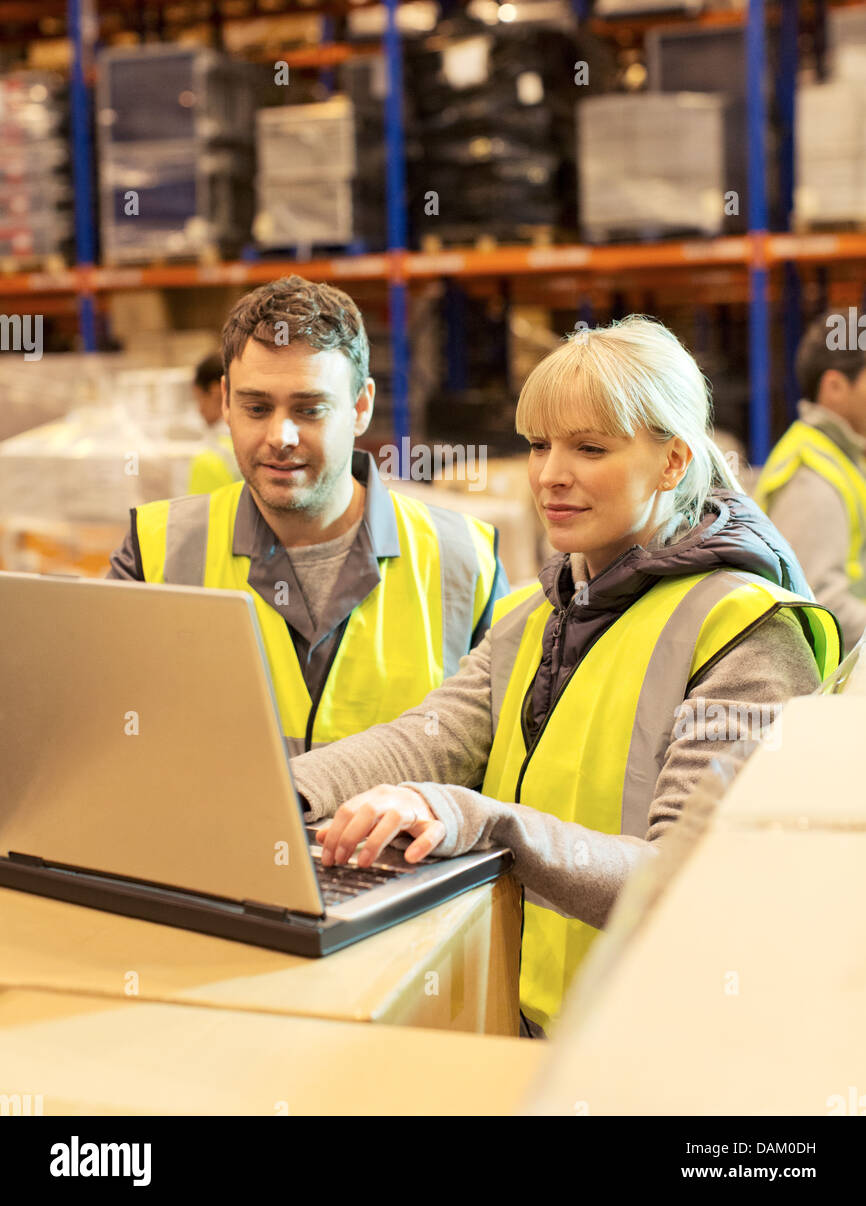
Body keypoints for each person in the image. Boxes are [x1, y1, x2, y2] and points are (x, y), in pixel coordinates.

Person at [289, 315, 841, 1037]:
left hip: (657, 1053)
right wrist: (277, 797)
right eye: (540, 445)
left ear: (673, 462)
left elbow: (680, 878)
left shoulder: (748, 632)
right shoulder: (535, 615)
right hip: (528, 1029)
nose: (551, 474)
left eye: (589, 448)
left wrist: (489, 824)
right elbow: (421, 742)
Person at [108, 277, 508, 753]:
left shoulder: (463, 561)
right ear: (225, 404)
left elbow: (498, 763)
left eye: (310, 409)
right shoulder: (154, 554)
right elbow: (108, 740)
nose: (281, 436)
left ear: (361, 407)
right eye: (256, 407)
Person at [754, 311, 866, 653]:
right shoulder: (811, 474)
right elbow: (818, 605)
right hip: (828, 685)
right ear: (834, 386)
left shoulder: (840, 456)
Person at [188, 352, 241, 494]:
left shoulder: (209, 459)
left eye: (199, 398)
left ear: (216, 390)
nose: (200, 410)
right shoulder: (259, 442)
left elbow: (202, 514)